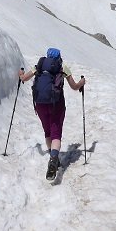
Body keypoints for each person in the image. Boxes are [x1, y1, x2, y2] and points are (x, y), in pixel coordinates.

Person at [19, 47, 86, 179]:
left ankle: (52, 156)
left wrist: (20, 73)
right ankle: (54, 159)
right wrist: (82, 83)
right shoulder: (62, 68)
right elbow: (74, 86)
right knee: (56, 133)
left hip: (40, 105)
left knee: (48, 131)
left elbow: (24, 78)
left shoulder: (39, 66)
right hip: (57, 105)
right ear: (59, 57)